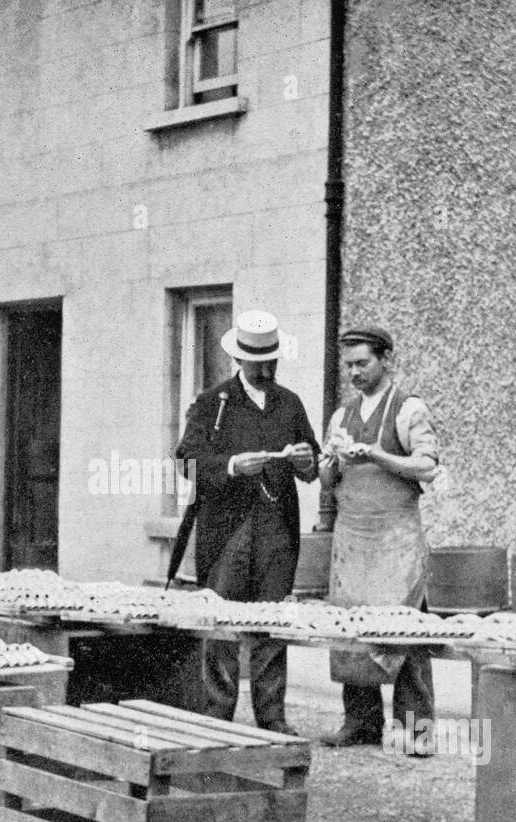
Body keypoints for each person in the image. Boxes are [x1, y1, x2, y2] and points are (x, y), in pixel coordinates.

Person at [175, 311, 320, 734]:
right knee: (221, 624)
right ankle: (217, 718)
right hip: (227, 531)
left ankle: (272, 720)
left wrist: (306, 460)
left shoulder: (288, 403)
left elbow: (312, 462)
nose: (267, 369)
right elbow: (187, 461)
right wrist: (233, 466)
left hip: (276, 528)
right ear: (239, 360)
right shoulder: (213, 403)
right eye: (259, 363)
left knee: (271, 625)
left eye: (272, 360)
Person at [319, 326, 440, 749]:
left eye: (362, 363)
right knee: (352, 631)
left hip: (396, 538)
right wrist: (331, 460)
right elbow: (328, 479)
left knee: (403, 634)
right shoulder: (341, 416)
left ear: (386, 359)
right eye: (348, 365)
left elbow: (427, 466)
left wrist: (376, 454)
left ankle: (416, 732)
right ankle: (361, 722)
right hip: (353, 537)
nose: (353, 372)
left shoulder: (408, 409)